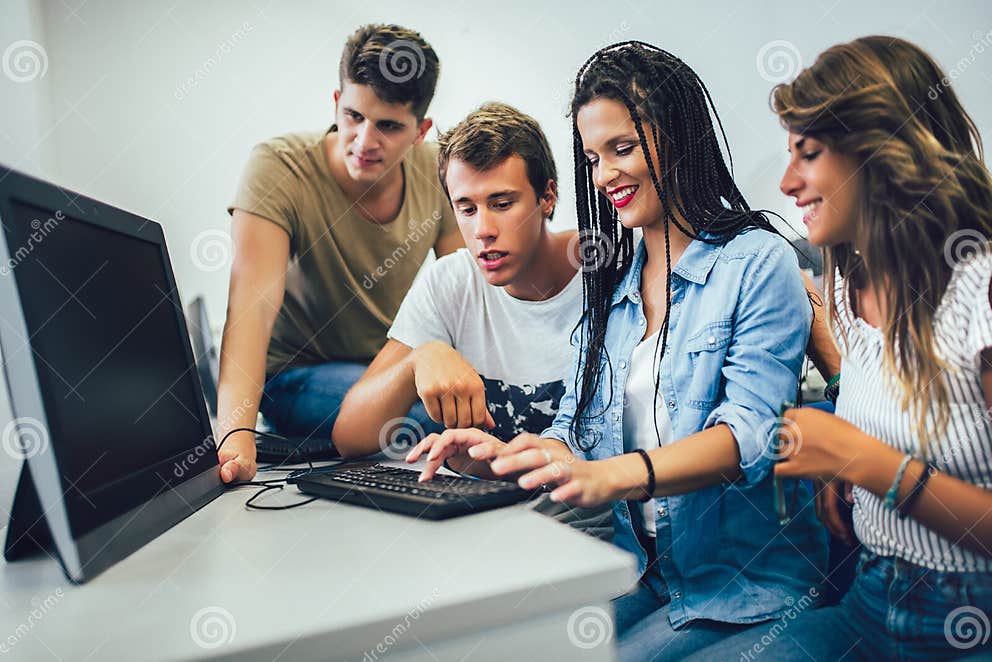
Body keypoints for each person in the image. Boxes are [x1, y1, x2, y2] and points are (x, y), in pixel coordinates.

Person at [406, 42, 828, 660]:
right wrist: (497, 458)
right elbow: (577, 434)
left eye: (622, 149)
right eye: (593, 157)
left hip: (744, 589)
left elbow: (749, 436)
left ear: (678, 136)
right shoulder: (615, 278)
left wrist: (610, 477)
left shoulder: (758, 262)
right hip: (643, 577)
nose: (605, 176)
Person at [691, 35, 992, 661]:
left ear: (882, 152)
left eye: (809, 154)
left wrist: (865, 462)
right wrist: (842, 465)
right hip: (868, 595)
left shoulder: (980, 289)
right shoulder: (850, 287)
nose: (786, 181)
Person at [334, 102, 612, 538]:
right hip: (492, 528)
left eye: (501, 203)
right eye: (466, 208)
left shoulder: (607, 270)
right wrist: (420, 358)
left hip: (590, 530)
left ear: (548, 197)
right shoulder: (452, 281)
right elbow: (350, 435)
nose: (483, 229)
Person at [216, 24, 463, 483]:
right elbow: (252, 309)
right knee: (445, 414)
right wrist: (235, 436)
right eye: (353, 116)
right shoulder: (279, 167)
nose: (365, 141)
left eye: (388, 126)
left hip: (385, 372)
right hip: (295, 377)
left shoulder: (438, 171)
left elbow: (469, 293)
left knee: (476, 402)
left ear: (420, 131)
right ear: (336, 102)